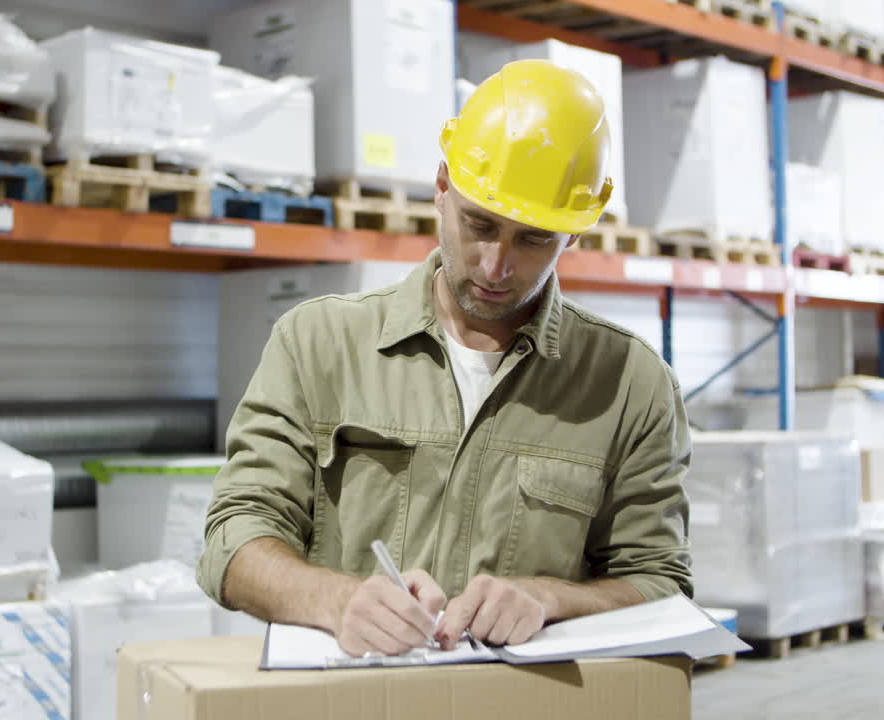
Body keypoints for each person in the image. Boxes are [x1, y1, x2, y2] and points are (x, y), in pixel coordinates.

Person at [197, 59, 692, 657]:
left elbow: (661, 583)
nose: (495, 266)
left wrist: (551, 598)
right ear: (441, 185)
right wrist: (337, 602)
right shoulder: (318, 344)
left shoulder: (630, 385)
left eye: (533, 238)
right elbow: (234, 541)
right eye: (478, 223)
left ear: (575, 233)